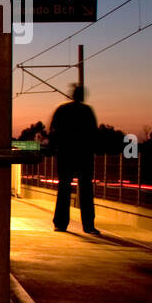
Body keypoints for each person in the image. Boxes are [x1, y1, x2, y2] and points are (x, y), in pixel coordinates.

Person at [48, 85, 99, 234]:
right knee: (86, 190)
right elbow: (93, 133)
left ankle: (60, 223)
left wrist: (54, 148)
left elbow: (53, 130)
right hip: (84, 155)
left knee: (64, 188)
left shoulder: (62, 109)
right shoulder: (87, 111)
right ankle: (88, 225)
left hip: (65, 154)